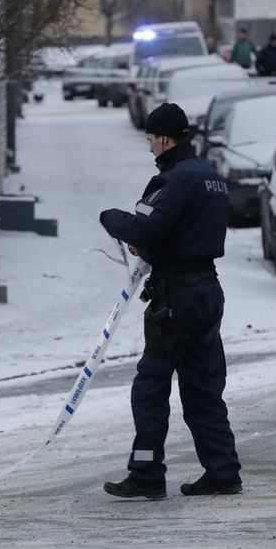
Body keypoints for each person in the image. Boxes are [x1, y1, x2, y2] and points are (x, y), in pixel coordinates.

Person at [98, 103, 243, 500]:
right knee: (203, 386)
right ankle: (223, 470)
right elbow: (180, 231)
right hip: (207, 291)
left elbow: (148, 227)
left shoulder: (172, 181)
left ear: (164, 138)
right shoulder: (212, 177)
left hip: (176, 295)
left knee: (151, 386)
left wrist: (110, 217)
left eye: (150, 140)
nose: (150, 149)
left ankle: (146, 473)